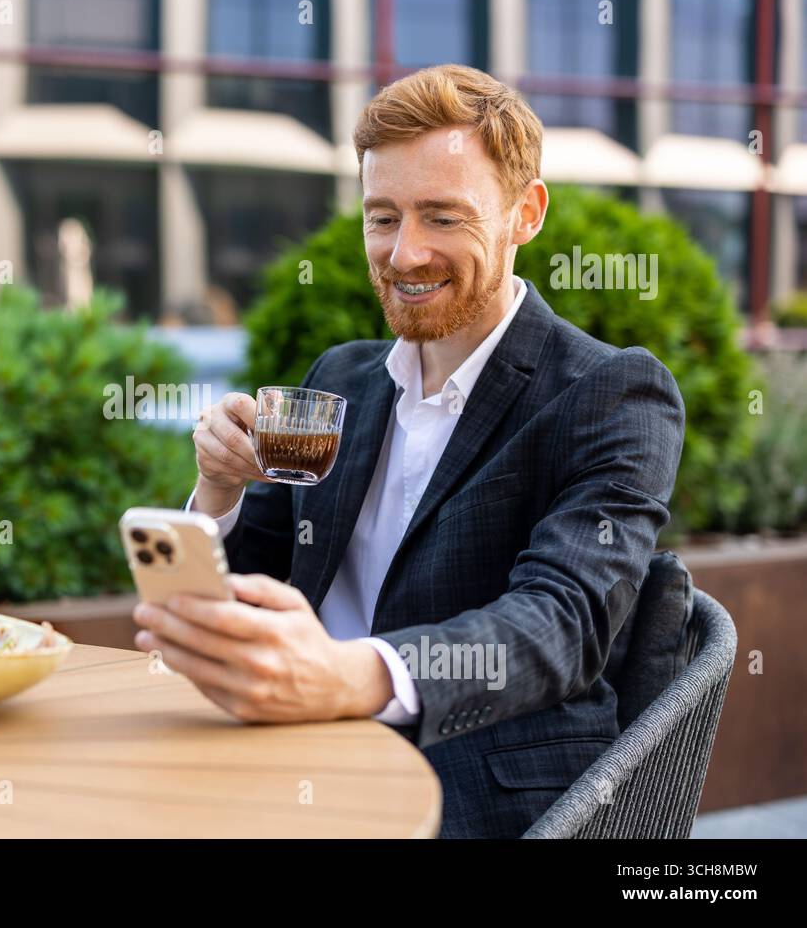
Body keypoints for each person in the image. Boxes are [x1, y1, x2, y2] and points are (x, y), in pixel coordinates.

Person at [131, 63, 686, 839]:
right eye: (382, 217)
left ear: (525, 214)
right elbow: (255, 578)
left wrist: (351, 676)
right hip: (298, 753)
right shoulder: (341, 378)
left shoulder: (612, 391)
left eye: (444, 218)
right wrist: (218, 493)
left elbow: (563, 621)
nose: (404, 254)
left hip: (481, 786)